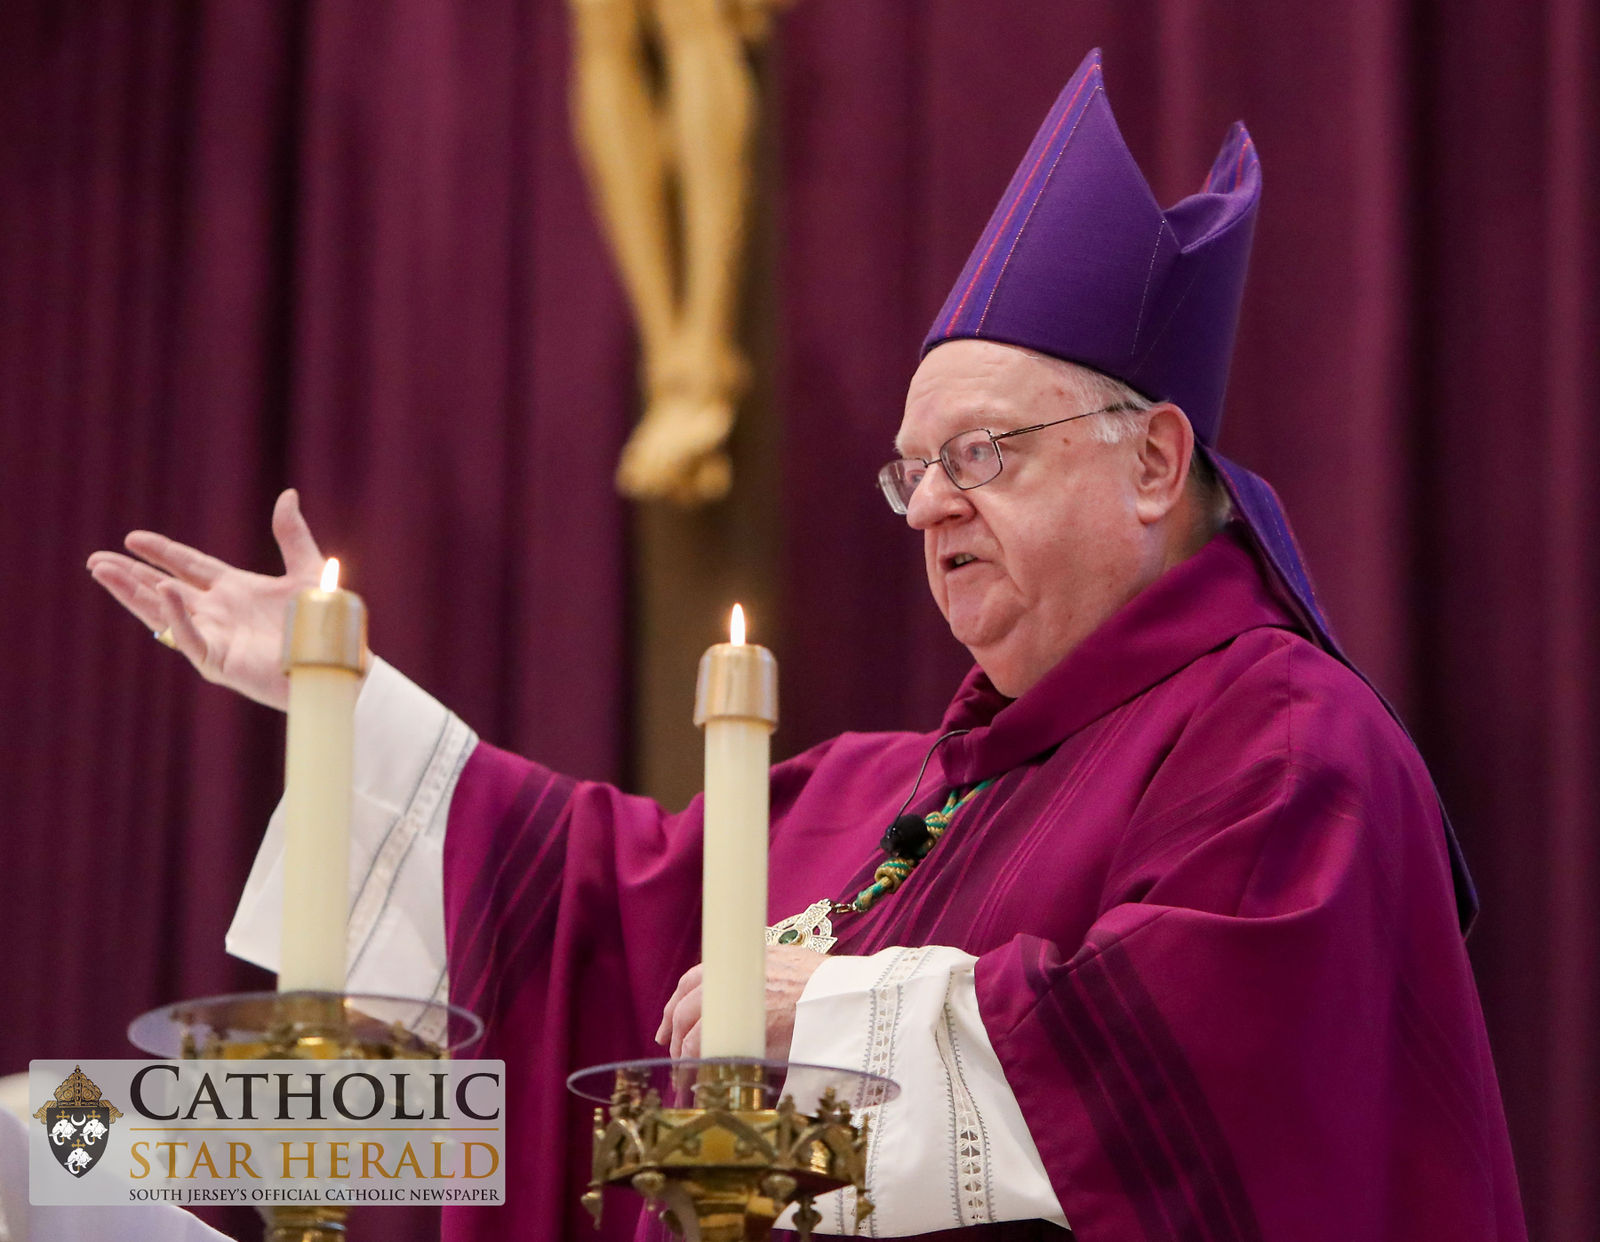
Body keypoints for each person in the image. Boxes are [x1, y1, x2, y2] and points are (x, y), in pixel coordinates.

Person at [88, 50, 1525, 1242]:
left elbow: (1205, 1067)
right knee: (64, 1165)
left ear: (1154, 461)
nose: (934, 507)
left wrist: (821, 1007)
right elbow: (606, 905)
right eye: (912, 472)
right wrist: (338, 697)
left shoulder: (1280, 741)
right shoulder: (892, 793)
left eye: (983, 453)